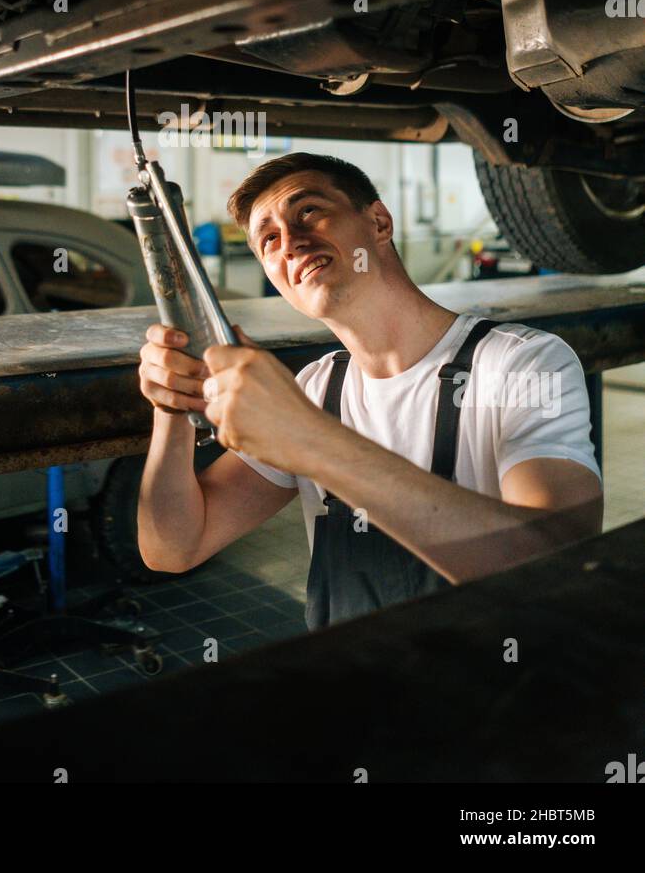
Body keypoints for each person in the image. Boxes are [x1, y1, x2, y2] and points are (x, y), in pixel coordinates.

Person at [136, 153, 603, 628]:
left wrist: (310, 440)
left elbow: (558, 563)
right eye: (269, 240)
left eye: (308, 212)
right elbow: (173, 548)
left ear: (379, 222)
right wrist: (172, 404)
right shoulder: (318, 389)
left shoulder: (522, 362)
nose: (292, 244)